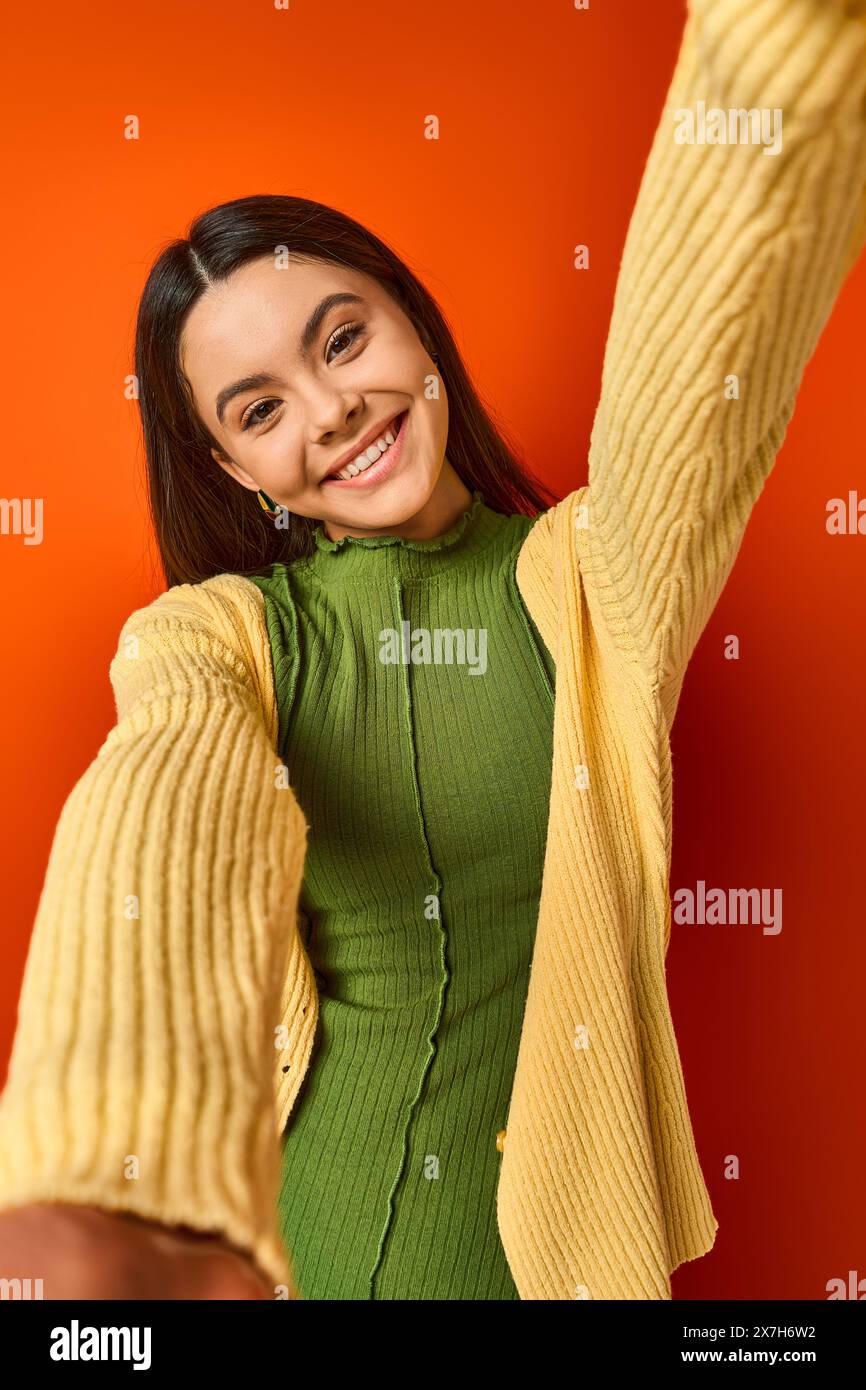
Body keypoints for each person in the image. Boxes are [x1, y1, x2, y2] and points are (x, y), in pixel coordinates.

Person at [0, 0, 864, 1300]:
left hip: (544, 1268)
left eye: (344, 338)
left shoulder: (590, 580)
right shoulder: (218, 637)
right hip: (279, 1259)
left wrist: (782, 33)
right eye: (260, 408)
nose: (333, 406)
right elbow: (162, 816)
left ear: (413, 326)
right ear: (233, 467)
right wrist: (108, 1188)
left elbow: (701, 360)